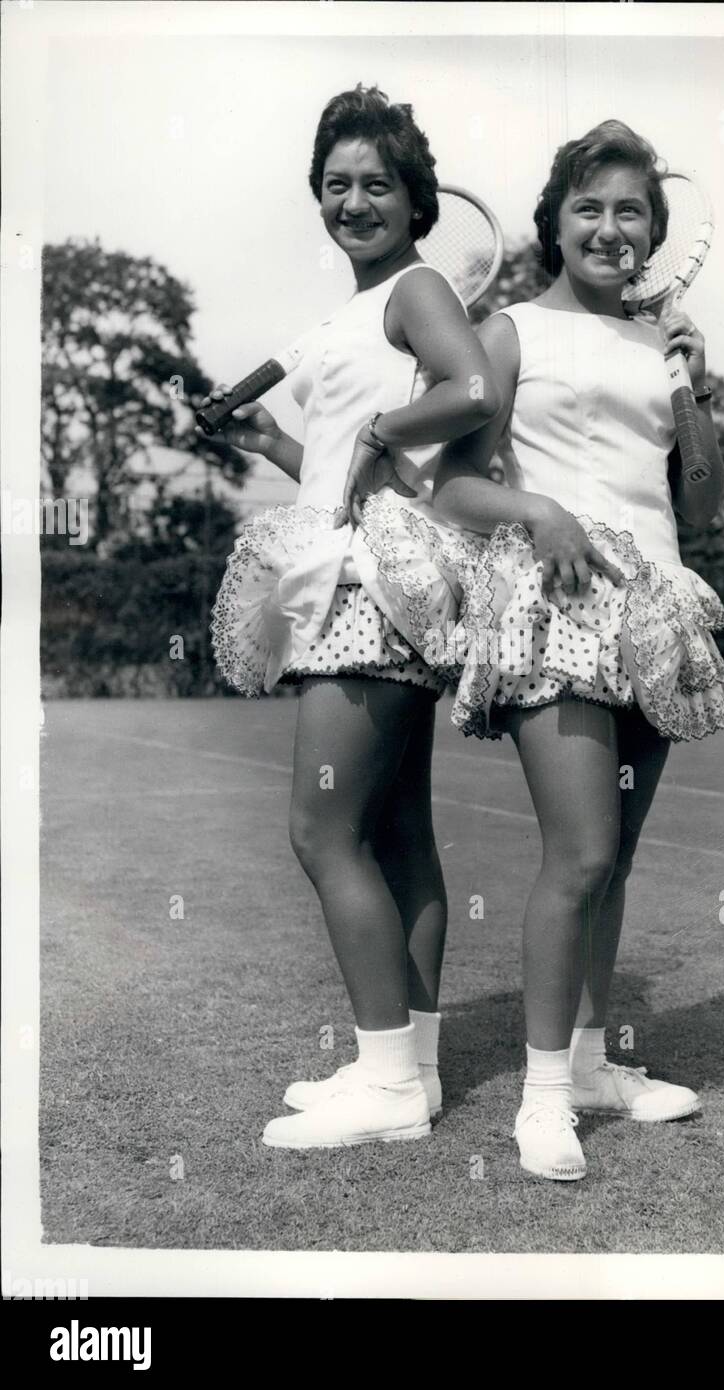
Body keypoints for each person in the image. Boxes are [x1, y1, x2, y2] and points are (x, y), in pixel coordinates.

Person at [431, 121, 724, 1181]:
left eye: (629, 211)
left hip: (654, 604)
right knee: (582, 853)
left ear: (653, 230)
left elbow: (701, 501)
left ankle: (597, 1065)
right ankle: (543, 1097)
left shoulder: (664, 345)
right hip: (553, 599)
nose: (609, 228)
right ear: (553, 224)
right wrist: (538, 510)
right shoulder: (509, 332)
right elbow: (453, 485)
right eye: (588, 209)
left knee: (620, 858)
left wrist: (693, 391)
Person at [205, 85, 498, 1150]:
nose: (355, 200)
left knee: (320, 830)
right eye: (336, 184)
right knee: (393, 828)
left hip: (373, 584)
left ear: (417, 199)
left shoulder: (418, 285)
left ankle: (382, 1088)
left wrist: (377, 423)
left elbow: (469, 390)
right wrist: (273, 447)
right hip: (355, 560)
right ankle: (406, 1067)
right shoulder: (348, 309)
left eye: (377, 182)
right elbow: (334, 464)